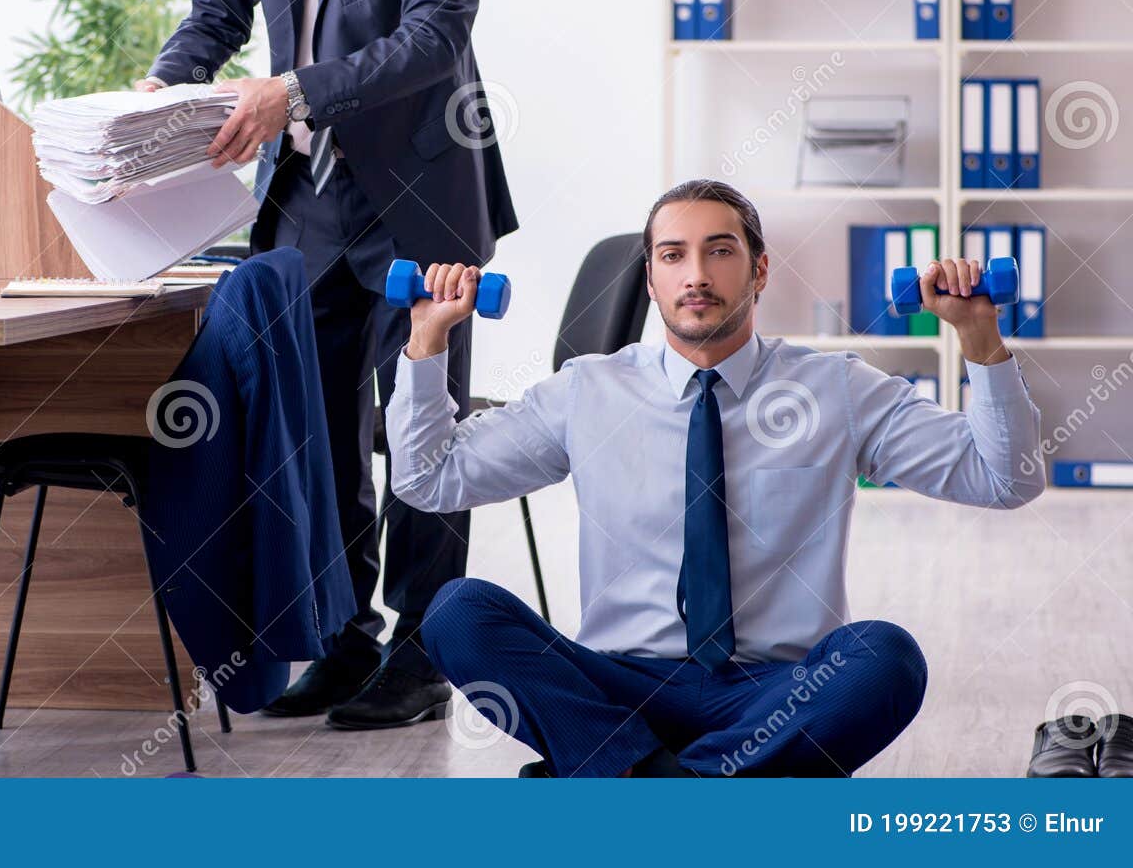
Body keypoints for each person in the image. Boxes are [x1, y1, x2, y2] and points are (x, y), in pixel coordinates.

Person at [386, 179, 1044, 776]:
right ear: (650, 278)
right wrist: (425, 342)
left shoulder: (835, 388)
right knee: (458, 611)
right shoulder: (587, 391)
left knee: (886, 658)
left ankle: (627, 782)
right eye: (673, 255)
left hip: (778, 694)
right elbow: (428, 481)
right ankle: (707, 788)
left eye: (719, 251)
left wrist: (980, 337)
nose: (696, 275)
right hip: (618, 687)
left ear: (759, 271)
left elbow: (1004, 480)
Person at [138, 0, 517, 728]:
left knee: (419, 420)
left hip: (419, 197)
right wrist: (155, 93)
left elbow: (431, 41)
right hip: (305, 196)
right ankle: (346, 633)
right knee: (322, 429)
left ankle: (425, 646)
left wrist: (292, 90)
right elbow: (214, 15)